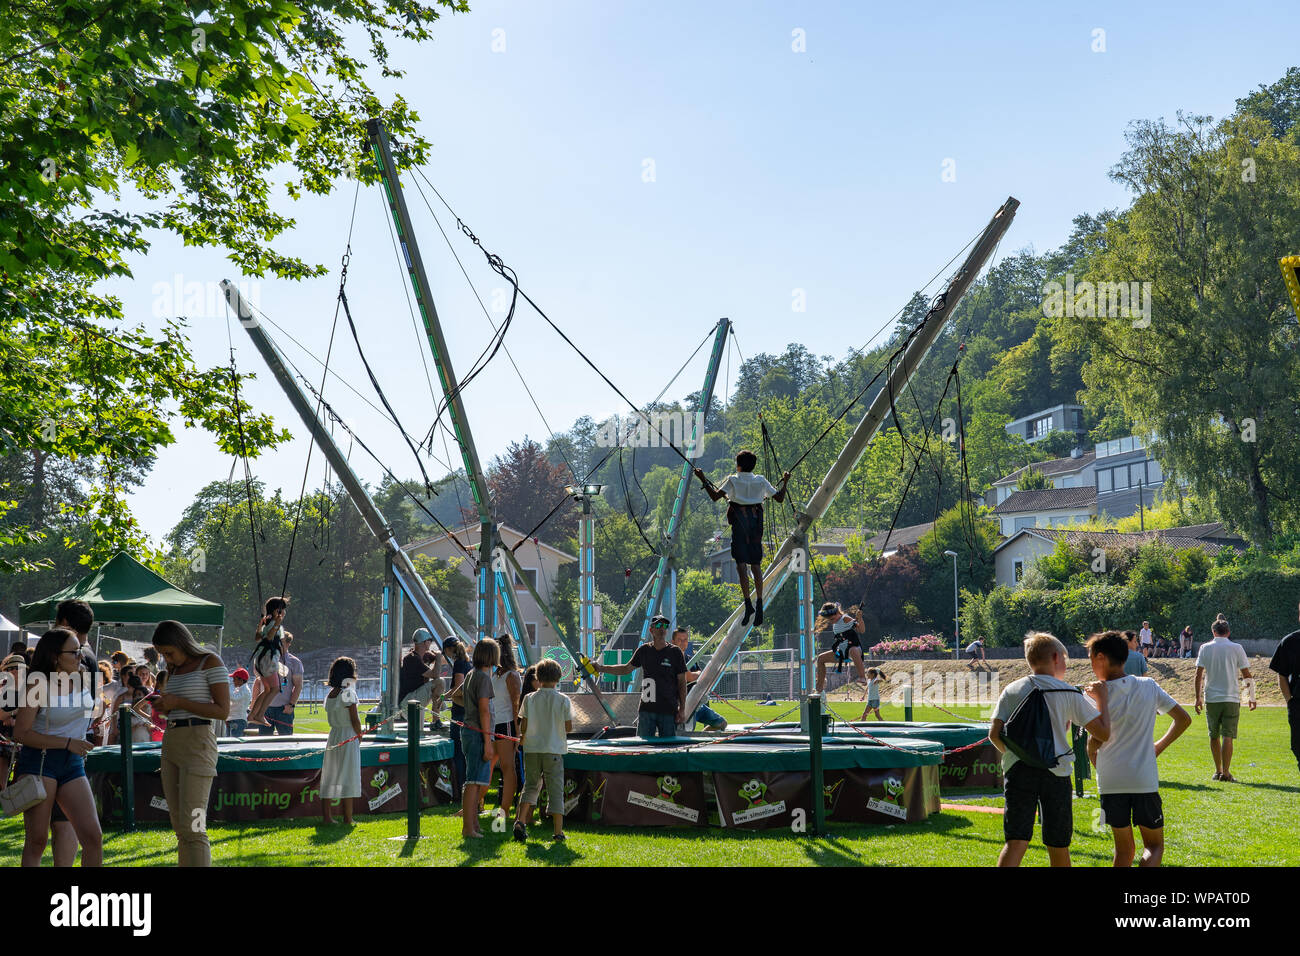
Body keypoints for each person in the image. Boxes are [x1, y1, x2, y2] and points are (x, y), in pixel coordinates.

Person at [988, 631, 1109, 868]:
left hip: (1018, 771)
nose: (1065, 664)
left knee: (1016, 841)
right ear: (1055, 657)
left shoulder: (1012, 689)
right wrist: (1102, 699)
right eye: (1064, 659)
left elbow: (994, 735)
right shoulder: (1067, 692)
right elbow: (1103, 733)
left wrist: (1020, 755)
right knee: (1058, 844)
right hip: (1057, 773)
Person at [1084, 630, 1191, 867]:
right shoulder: (1148, 686)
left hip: (1111, 782)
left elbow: (1092, 745)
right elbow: (1183, 719)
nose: (1090, 664)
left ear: (1100, 657)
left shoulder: (1091, 695)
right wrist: (1158, 747)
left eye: (1090, 657)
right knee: (1154, 846)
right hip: (1143, 778)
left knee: (1123, 852)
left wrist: (1099, 765)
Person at [11, 627, 103, 867]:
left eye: (80, 651)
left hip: (72, 764)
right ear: (55, 656)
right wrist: (68, 742)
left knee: (93, 837)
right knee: (37, 841)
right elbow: (21, 733)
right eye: (74, 652)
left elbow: (85, 714)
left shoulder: (83, 678)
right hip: (40, 763)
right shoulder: (37, 686)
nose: (80, 656)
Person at [151, 619, 230, 866]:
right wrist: (165, 708)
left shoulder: (211, 662)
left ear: (181, 643)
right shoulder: (174, 670)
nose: (167, 659)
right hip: (172, 742)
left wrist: (179, 703)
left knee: (195, 827)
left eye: (169, 653)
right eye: (163, 654)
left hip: (199, 744)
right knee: (180, 827)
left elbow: (222, 710)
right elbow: (177, 707)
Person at [695, 451, 791, 626]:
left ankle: (748, 603)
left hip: (740, 528)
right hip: (756, 527)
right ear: (753, 466)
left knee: (741, 566)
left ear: (738, 465)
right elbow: (779, 498)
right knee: (756, 566)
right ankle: (759, 602)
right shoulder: (761, 480)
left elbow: (716, 496)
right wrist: (785, 482)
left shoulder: (733, 480)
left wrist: (702, 478)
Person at [50, 599, 97, 867]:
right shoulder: (89, 655)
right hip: (72, 745)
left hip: (65, 749)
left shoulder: (78, 658)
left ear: (65, 623)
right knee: (61, 823)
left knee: (63, 822)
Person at [594, 615, 686, 738]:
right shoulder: (644, 650)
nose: (662, 629)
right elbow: (626, 669)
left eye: (665, 626)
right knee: (642, 746)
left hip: (668, 709)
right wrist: (601, 668)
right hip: (647, 709)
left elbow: (682, 682)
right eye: (658, 625)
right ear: (651, 630)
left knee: (667, 748)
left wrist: (682, 709)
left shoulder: (675, 652)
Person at [514, 658, 573, 843]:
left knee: (530, 786)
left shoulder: (529, 698)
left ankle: (520, 821)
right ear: (558, 677)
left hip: (531, 749)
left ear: (538, 677)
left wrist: (523, 737)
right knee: (555, 789)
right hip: (553, 749)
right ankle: (558, 831)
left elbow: (523, 724)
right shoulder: (563, 700)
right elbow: (568, 727)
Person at [1195, 618, 1255, 782]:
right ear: (1228, 632)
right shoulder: (1237, 648)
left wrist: (1197, 698)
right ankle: (1227, 773)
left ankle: (1218, 771)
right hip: (1231, 697)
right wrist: (1251, 697)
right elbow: (1246, 675)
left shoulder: (1205, 648)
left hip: (1212, 698)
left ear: (1213, 632)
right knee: (1228, 736)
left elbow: (1198, 675)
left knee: (1213, 736)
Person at [460, 637, 498, 839]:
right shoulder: (483, 678)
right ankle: (468, 828)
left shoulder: (471, 674)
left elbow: (457, 696)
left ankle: (474, 824)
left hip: (470, 731)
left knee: (476, 782)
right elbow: (484, 710)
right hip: (477, 735)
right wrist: (488, 742)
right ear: (492, 656)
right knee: (473, 783)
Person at [321, 657, 363, 825]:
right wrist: (360, 735)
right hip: (347, 735)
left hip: (334, 735)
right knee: (349, 774)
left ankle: (327, 817)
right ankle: (348, 817)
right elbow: (354, 718)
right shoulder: (347, 692)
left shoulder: (332, 693)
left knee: (330, 775)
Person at [488, 633, 523, 823]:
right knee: (491, 765)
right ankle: (480, 803)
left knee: (507, 768)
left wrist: (518, 733)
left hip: (507, 724)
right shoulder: (495, 674)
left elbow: (516, 704)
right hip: (494, 724)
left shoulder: (511, 675)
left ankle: (504, 809)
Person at [671, 627, 727, 731]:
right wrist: (697, 674)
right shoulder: (672, 658)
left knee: (721, 723)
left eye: (685, 640)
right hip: (681, 705)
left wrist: (697, 674)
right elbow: (688, 676)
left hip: (696, 703)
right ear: (673, 641)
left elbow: (701, 676)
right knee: (685, 732)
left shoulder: (690, 659)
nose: (683, 643)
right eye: (679, 640)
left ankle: (701, 739)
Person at [248, 596, 289, 728]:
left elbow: (257, 637)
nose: (285, 612)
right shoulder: (274, 624)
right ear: (278, 611)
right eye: (283, 609)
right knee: (275, 688)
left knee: (267, 689)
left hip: (261, 660)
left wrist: (261, 625)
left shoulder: (267, 622)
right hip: (268, 660)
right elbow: (269, 638)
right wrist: (277, 624)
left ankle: (252, 715)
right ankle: (260, 714)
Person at [1270, 603, 1300, 774]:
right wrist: (1290, 701)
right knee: (1297, 746)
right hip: (1298, 703)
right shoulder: (1290, 642)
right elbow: (1281, 675)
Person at [443, 636, 473, 803]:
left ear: (449, 650)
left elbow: (458, 687)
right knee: (465, 753)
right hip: (467, 712)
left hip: (459, 712)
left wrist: (443, 697)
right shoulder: (468, 662)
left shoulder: (459, 663)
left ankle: (460, 791)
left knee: (459, 754)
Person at [814, 602, 867, 693]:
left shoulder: (845, 618)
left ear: (837, 613)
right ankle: (819, 686)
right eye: (829, 620)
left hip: (855, 649)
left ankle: (862, 677)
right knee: (821, 658)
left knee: (852, 649)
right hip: (842, 652)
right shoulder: (835, 622)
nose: (831, 621)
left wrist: (860, 618)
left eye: (832, 619)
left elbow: (861, 630)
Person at [397, 629, 444, 729]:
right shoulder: (413, 659)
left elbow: (441, 662)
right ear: (425, 642)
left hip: (412, 699)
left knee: (418, 733)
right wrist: (438, 657)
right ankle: (436, 721)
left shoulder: (417, 657)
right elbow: (435, 674)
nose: (431, 643)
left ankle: (437, 716)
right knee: (440, 682)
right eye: (430, 640)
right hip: (408, 701)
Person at [259, 630, 303, 736]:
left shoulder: (295, 662)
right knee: (263, 743)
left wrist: (291, 705)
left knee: (285, 742)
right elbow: (258, 681)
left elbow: (298, 686)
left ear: (288, 644)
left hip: (283, 709)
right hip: (266, 708)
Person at [0, 654, 25, 789]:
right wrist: (16, 711)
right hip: (3, 736)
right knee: (2, 775)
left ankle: (15, 798)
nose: (14, 671)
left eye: (18, 668)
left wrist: (13, 716)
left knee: (20, 775)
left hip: (23, 735)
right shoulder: (3, 689)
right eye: (11, 668)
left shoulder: (29, 689)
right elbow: (1, 716)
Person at [226, 668, 252, 738]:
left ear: (241, 680)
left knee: (233, 743)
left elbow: (234, 698)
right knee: (229, 742)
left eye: (234, 679)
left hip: (238, 720)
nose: (233, 681)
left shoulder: (245, 690)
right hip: (233, 719)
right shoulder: (239, 689)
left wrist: (225, 687)